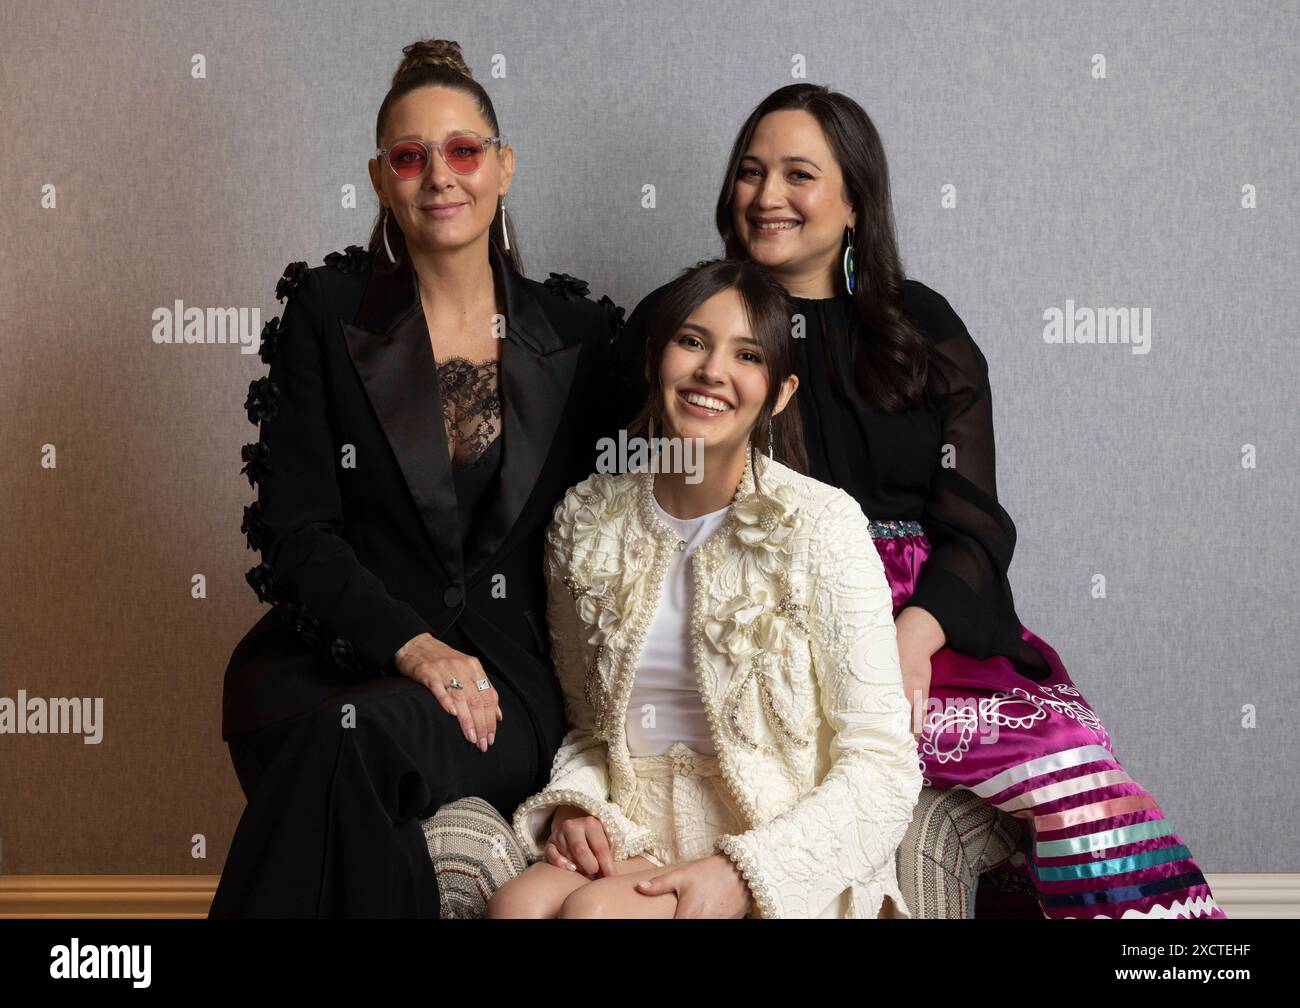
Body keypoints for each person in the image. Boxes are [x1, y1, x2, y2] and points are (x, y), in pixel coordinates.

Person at [611, 83, 1225, 920]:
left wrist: (915, 635)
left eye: (799, 174)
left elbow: (976, 524)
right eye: (751, 173)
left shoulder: (920, 327)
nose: (767, 196)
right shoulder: (689, 324)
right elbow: (623, 501)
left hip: (924, 618)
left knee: (1074, 771)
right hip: (764, 624)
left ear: (856, 199)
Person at [210, 39, 621, 917]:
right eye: (410, 156)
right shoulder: (326, 313)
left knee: (346, 749)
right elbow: (296, 533)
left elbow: (638, 520)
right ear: (380, 176)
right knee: (352, 781)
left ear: (503, 167)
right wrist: (411, 644)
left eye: (465, 151)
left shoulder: (582, 338)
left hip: (501, 692)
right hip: (336, 659)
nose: (440, 175)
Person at [487, 258, 923, 919]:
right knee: (515, 908)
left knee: (593, 916)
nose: (712, 371)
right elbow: (590, 730)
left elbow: (884, 768)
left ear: (779, 392)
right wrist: (578, 803)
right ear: (655, 360)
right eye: (691, 341)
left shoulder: (821, 525)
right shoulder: (586, 520)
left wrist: (745, 872)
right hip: (639, 840)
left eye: (747, 355)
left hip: (776, 856)